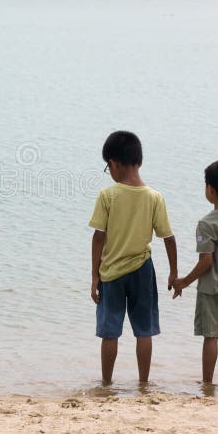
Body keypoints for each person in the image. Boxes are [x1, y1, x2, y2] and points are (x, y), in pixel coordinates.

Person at [89, 131, 178, 384]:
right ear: (138, 161)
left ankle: (106, 383)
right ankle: (143, 383)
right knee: (144, 331)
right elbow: (168, 238)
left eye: (108, 167)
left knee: (110, 333)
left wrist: (94, 275)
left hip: (111, 272)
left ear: (114, 163)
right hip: (142, 269)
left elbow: (98, 237)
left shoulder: (108, 196)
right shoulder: (154, 197)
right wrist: (173, 272)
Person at [172, 159, 218, 385]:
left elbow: (206, 261)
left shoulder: (205, 223)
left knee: (211, 335)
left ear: (210, 190)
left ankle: (207, 382)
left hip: (212, 286)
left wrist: (184, 281)